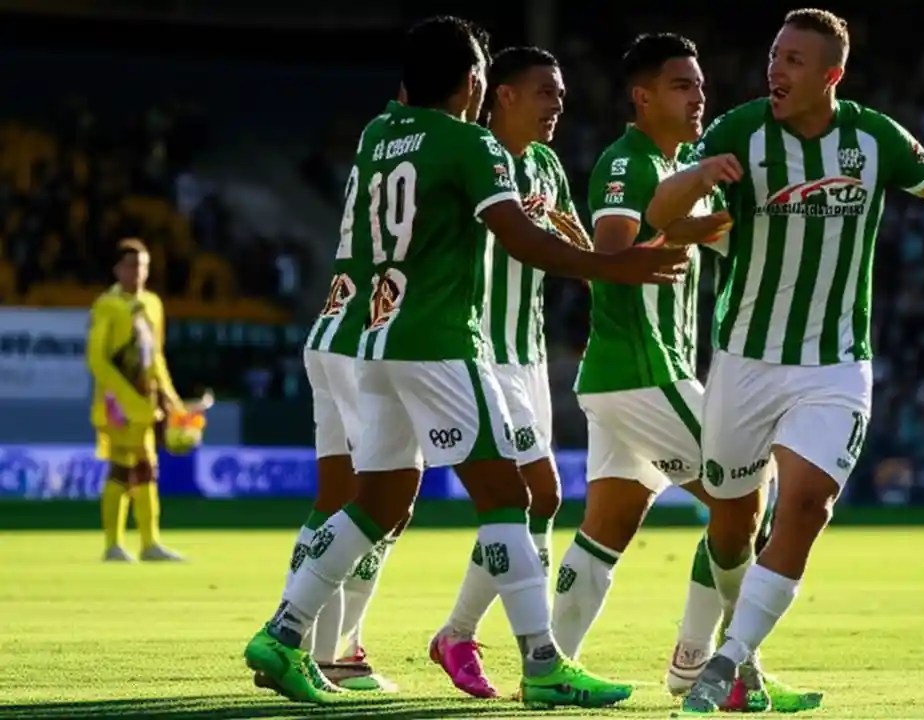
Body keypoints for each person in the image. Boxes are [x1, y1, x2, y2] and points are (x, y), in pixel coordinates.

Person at [243, 15, 690, 708]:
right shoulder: (469, 143)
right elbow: (522, 241)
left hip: (376, 340)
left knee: (378, 502)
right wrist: (617, 266)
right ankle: (542, 663)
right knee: (510, 497)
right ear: (476, 81)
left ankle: (283, 631)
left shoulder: (378, 134)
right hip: (441, 341)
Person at [646, 9, 924, 713]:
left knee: (806, 505)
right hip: (745, 361)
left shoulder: (873, 138)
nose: (776, 69)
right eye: (776, 55)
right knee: (732, 526)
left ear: (831, 75)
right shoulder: (740, 131)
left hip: (834, 363)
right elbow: (661, 212)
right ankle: (713, 653)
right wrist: (701, 174)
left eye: (794, 61)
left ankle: (726, 661)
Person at [548, 31, 738, 697]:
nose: (697, 98)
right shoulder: (628, 163)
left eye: (700, 87)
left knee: (605, 531)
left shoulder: (679, 168)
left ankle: (549, 668)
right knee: (744, 501)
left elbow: (707, 235)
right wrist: (681, 230)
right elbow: (612, 255)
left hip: (621, 378)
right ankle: (706, 665)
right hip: (644, 370)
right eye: (682, 86)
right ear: (643, 97)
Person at [429, 45, 586, 699]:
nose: (557, 106)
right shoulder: (472, 154)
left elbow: (574, 241)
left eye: (561, 95)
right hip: (477, 350)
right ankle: (522, 650)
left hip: (529, 355)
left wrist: (596, 259)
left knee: (534, 505)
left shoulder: (546, 165)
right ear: (504, 94)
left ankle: (461, 636)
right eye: (546, 92)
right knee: (536, 493)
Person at [252, 108, 411, 694]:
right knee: (384, 501)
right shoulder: (435, 147)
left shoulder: (379, 145)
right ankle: (326, 650)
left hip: (331, 325)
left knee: (335, 500)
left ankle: (315, 650)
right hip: (365, 336)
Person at [88, 238, 185, 564]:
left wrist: (170, 398)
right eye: (131, 265)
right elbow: (97, 359)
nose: (137, 272)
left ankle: (149, 543)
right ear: (117, 269)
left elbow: (155, 357)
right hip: (117, 406)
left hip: (146, 404)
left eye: (142, 265)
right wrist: (127, 399)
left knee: (146, 469)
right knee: (122, 467)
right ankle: (113, 544)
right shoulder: (107, 305)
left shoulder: (153, 304)